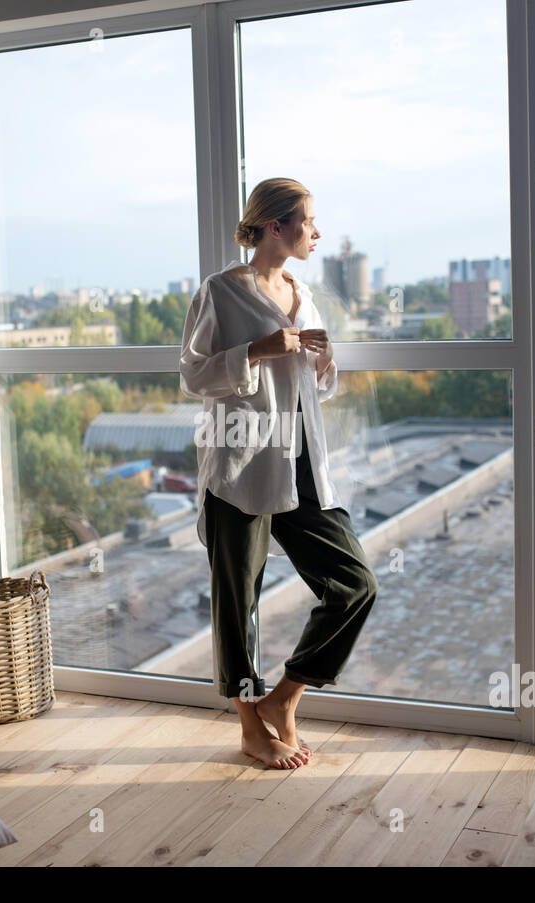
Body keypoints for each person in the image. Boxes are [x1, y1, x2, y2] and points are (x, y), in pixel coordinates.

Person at [178, 177, 379, 770]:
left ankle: (284, 698)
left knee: (355, 584)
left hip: (302, 464)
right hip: (240, 466)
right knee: (237, 603)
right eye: (308, 222)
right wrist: (260, 350)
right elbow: (192, 375)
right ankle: (248, 726)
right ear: (273, 226)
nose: (316, 233)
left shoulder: (303, 293)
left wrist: (322, 359)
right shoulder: (222, 291)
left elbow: (317, 384)